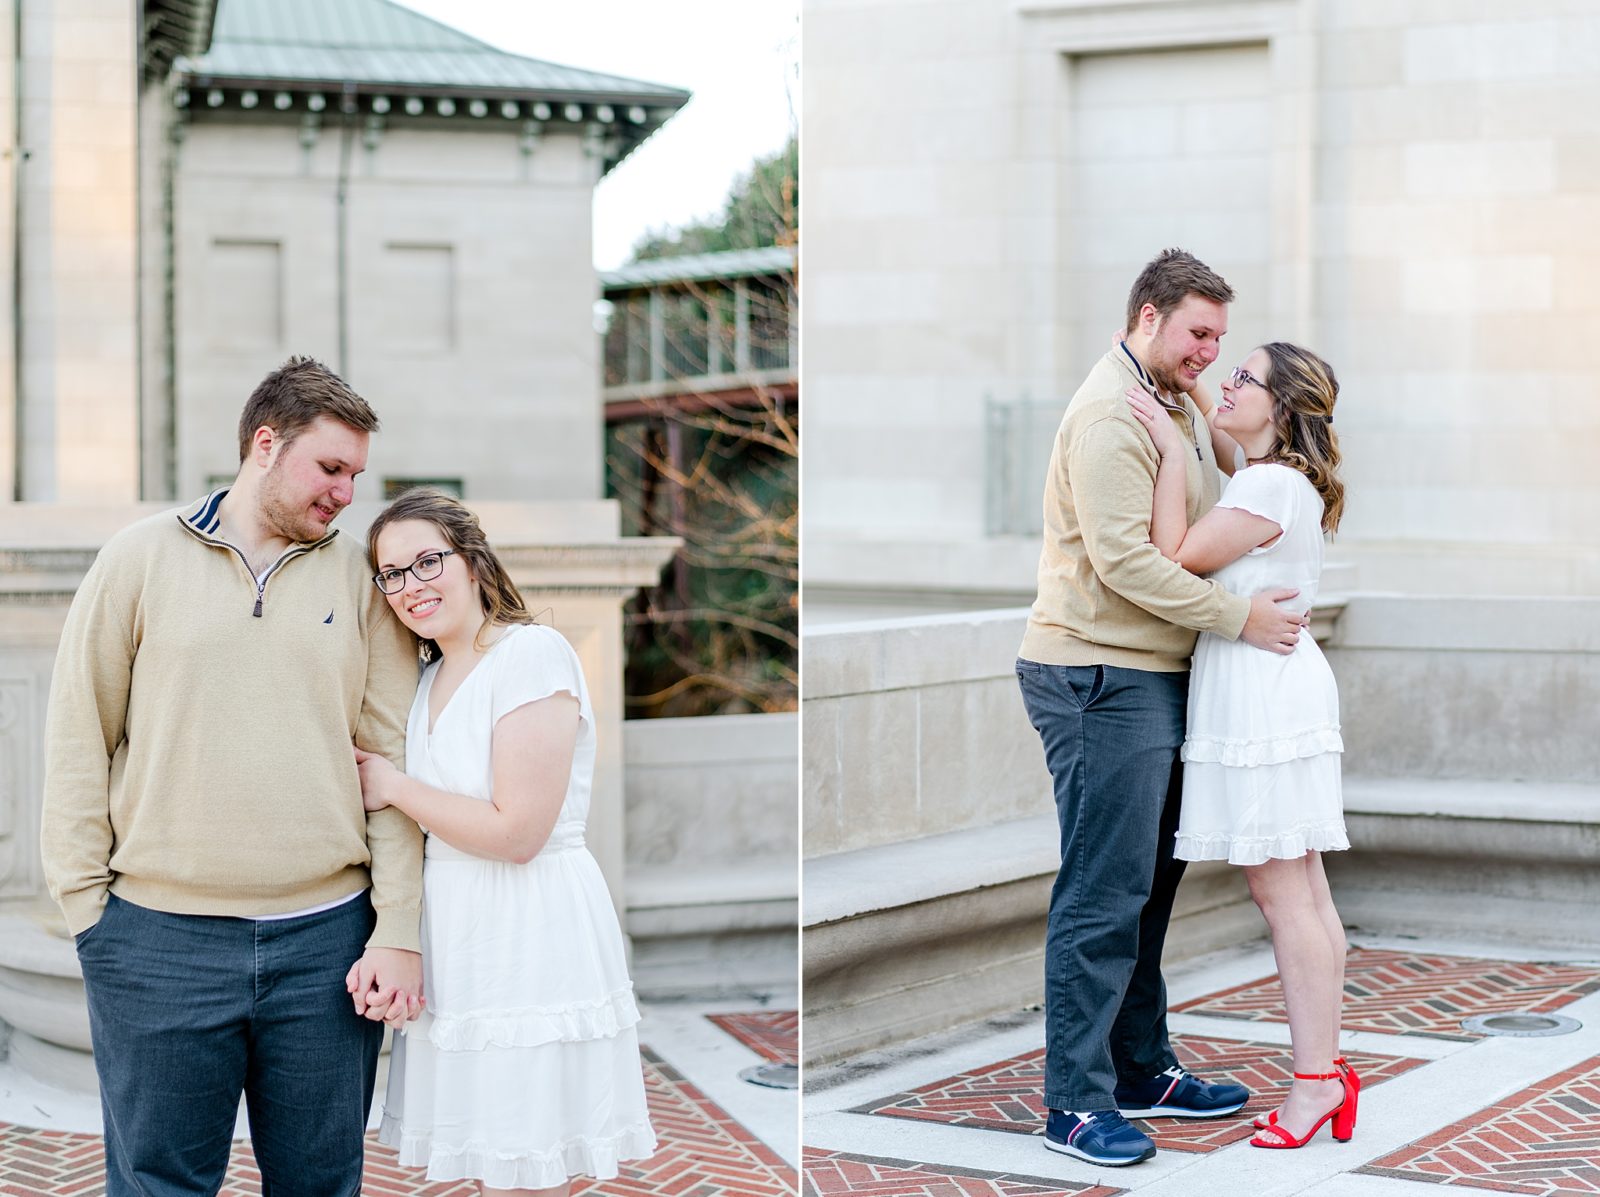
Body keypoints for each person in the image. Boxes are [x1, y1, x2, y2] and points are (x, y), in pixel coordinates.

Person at [40, 356, 425, 1195]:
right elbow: (78, 735)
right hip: (157, 940)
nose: (345, 494)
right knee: (158, 1185)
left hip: (327, 944)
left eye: (356, 475)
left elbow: (391, 762)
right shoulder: (137, 558)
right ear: (264, 443)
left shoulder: (362, 577)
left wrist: (396, 925)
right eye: (330, 468)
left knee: (321, 1184)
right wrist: (87, 912)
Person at [1015, 248, 1309, 1167]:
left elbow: (1224, 486)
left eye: (1221, 338)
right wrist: (1241, 618)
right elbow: (1127, 564)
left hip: (1155, 675)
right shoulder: (1112, 413)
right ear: (1148, 316)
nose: (1210, 353)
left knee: (1146, 891)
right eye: (1198, 333)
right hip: (1100, 676)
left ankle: (1140, 1067)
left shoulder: (1169, 396)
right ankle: (1074, 1104)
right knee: (1103, 894)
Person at [357, 488, 656, 1196]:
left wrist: (394, 786)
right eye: (391, 573)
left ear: (472, 559)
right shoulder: (426, 676)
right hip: (459, 929)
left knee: (526, 1161)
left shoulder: (532, 653)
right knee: (488, 1162)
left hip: (529, 925)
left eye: (427, 560)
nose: (410, 585)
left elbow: (518, 830)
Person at [1126, 342, 1353, 1150]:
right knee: (1308, 893)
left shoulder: (1264, 483)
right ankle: (1325, 1068)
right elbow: (1228, 448)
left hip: (1262, 689)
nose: (1229, 382)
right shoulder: (1275, 477)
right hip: (1277, 680)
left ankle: (1316, 1082)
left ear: (1282, 407)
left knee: (1285, 897)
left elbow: (1174, 554)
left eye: (1245, 378)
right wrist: (1194, 406)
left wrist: (1161, 449)